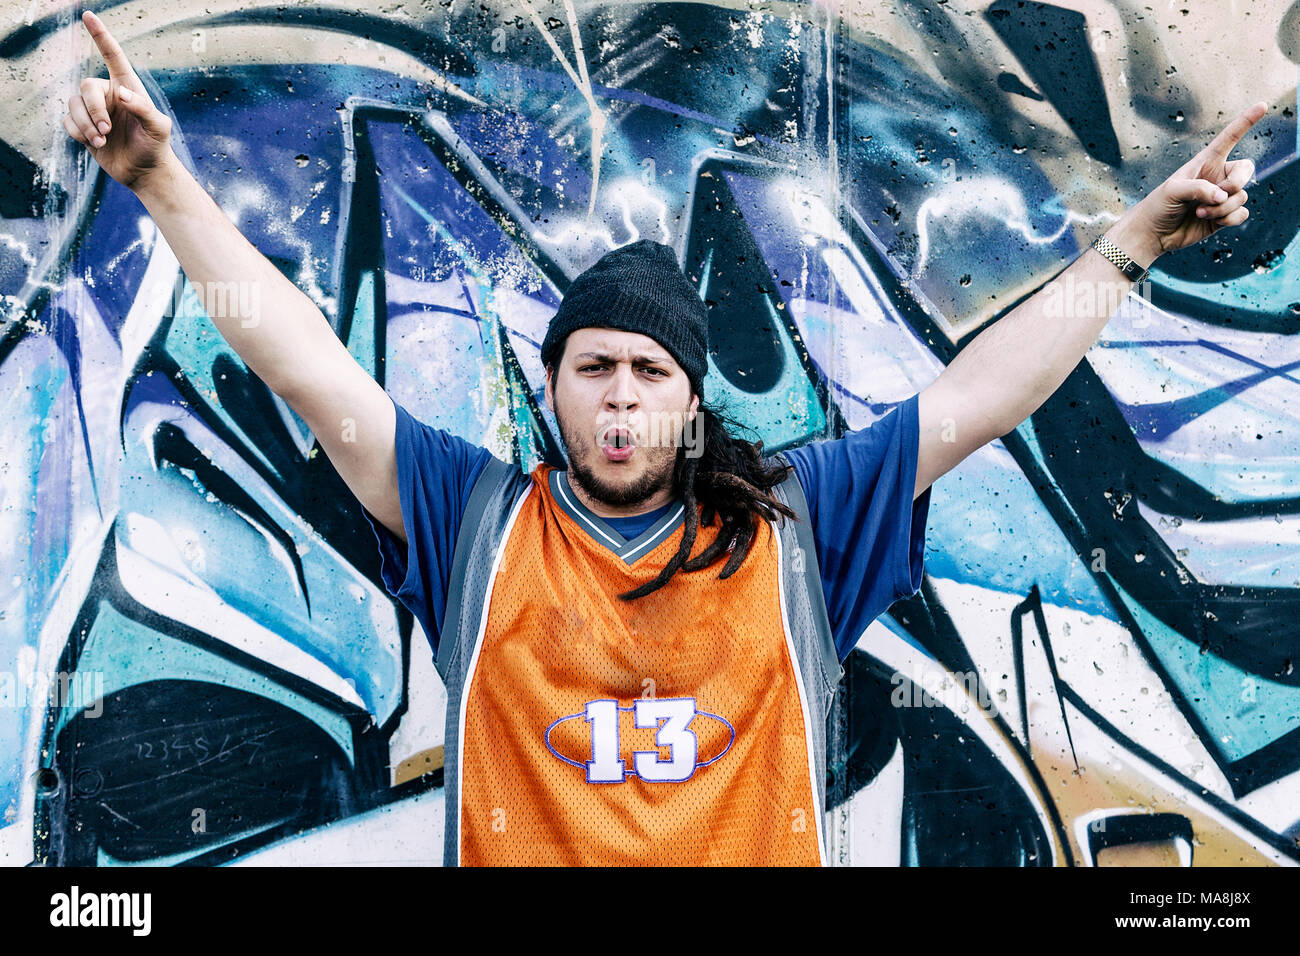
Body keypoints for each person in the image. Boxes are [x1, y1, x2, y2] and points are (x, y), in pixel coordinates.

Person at [63, 8, 1265, 865]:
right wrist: (162, 182)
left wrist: (1132, 246)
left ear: (691, 401)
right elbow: (303, 362)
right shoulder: (473, 523)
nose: (621, 396)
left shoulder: (797, 523)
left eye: (650, 371)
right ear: (553, 388)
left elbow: (983, 394)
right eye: (594, 368)